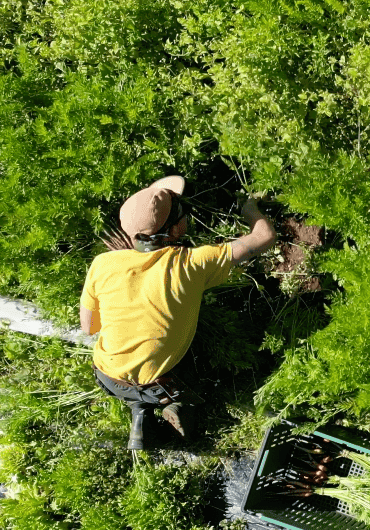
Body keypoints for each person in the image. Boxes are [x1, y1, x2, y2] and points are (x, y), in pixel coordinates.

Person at [80, 175, 277, 449]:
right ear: (174, 230)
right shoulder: (192, 263)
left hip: (107, 376)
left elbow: (88, 327)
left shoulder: (102, 263)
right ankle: (178, 406)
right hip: (163, 383)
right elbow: (264, 237)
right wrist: (251, 210)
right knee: (191, 362)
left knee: (143, 366)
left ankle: (140, 414)